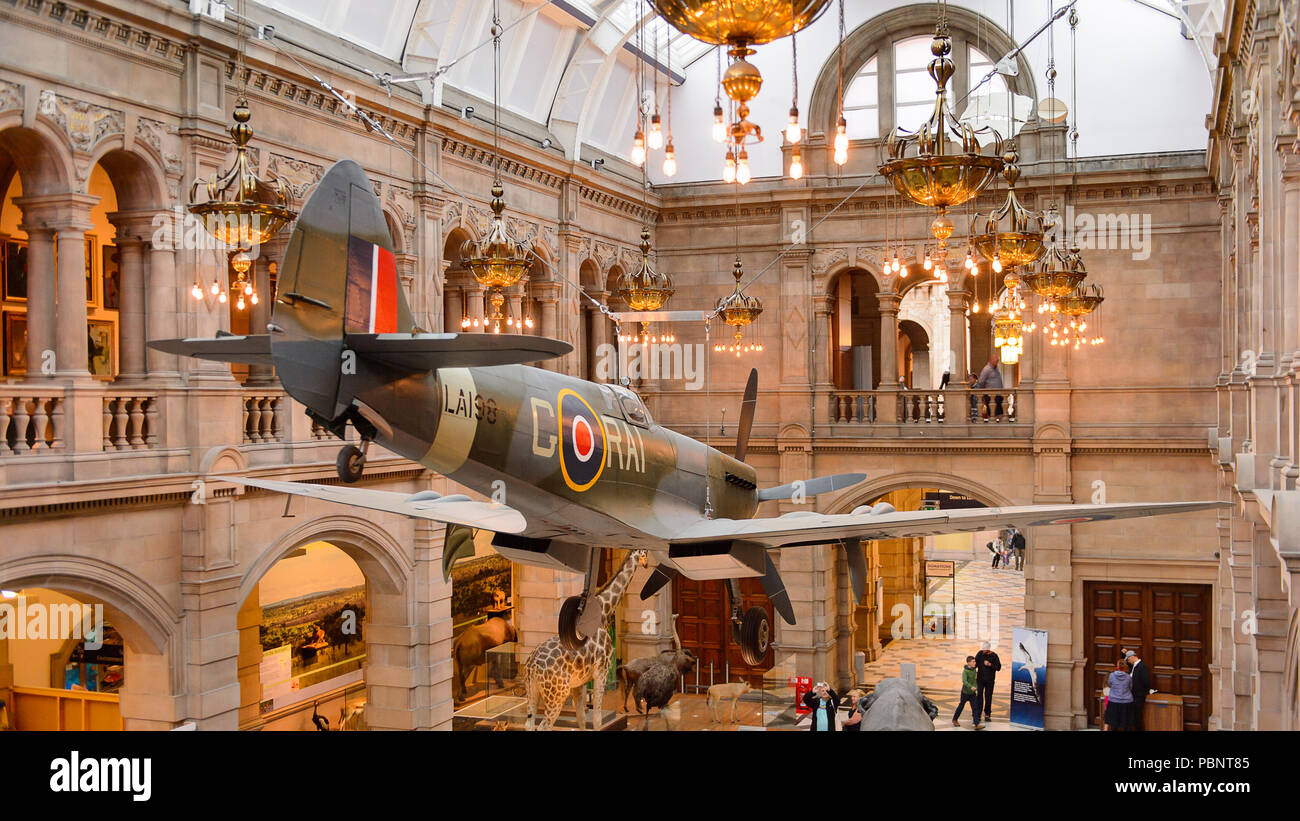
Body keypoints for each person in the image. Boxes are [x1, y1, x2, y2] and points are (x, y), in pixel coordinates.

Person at [1104, 657, 1135, 731]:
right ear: (1125, 667)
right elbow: (1130, 687)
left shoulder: (1112, 675)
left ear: (1117, 667)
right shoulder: (1128, 677)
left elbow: (1109, 684)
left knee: (1113, 723)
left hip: (1114, 701)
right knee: (1126, 723)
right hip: (1127, 701)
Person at [1126, 650, 1153, 730]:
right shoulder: (1134, 666)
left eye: (1128, 659)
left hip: (1138, 696)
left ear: (1132, 657)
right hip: (1133, 696)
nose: (1128, 661)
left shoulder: (1142, 667)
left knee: (1138, 717)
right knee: (1134, 717)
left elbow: (1146, 682)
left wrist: (1142, 692)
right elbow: (1124, 664)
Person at [974, 641, 1001, 722]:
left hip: (990, 681)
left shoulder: (994, 656)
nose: (983, 651)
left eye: (984, 650)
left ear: (988, 650)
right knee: (979, 695)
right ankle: (978, 714)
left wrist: (990, 664)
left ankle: (987, 714)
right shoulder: (980, 654)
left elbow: (998, 667)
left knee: (988, 697)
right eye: (982, 650)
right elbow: (975, 664)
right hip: (980, 679)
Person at [952, 656, 982, 729]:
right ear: (968, 663)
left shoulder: (974, 669)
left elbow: (975, 680)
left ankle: (976, 724)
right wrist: (970, 686)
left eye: (975, 661)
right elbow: (964, 681)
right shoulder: (965, 671)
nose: (975, 663)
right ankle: (955, 719)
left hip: (972, 694)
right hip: (965, 693)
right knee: (961, 706)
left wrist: (976, 688)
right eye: (973, 662)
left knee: (975, 708)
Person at [974, 352, 1004, 419]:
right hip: (991, 396)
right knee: (992, 414)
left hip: (998, 395)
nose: (997, 362)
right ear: (991, 360)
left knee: (1000, 413)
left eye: (998, 361)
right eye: (996, 360)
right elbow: (981, 382)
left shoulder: (996, 369)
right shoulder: (986, 369)